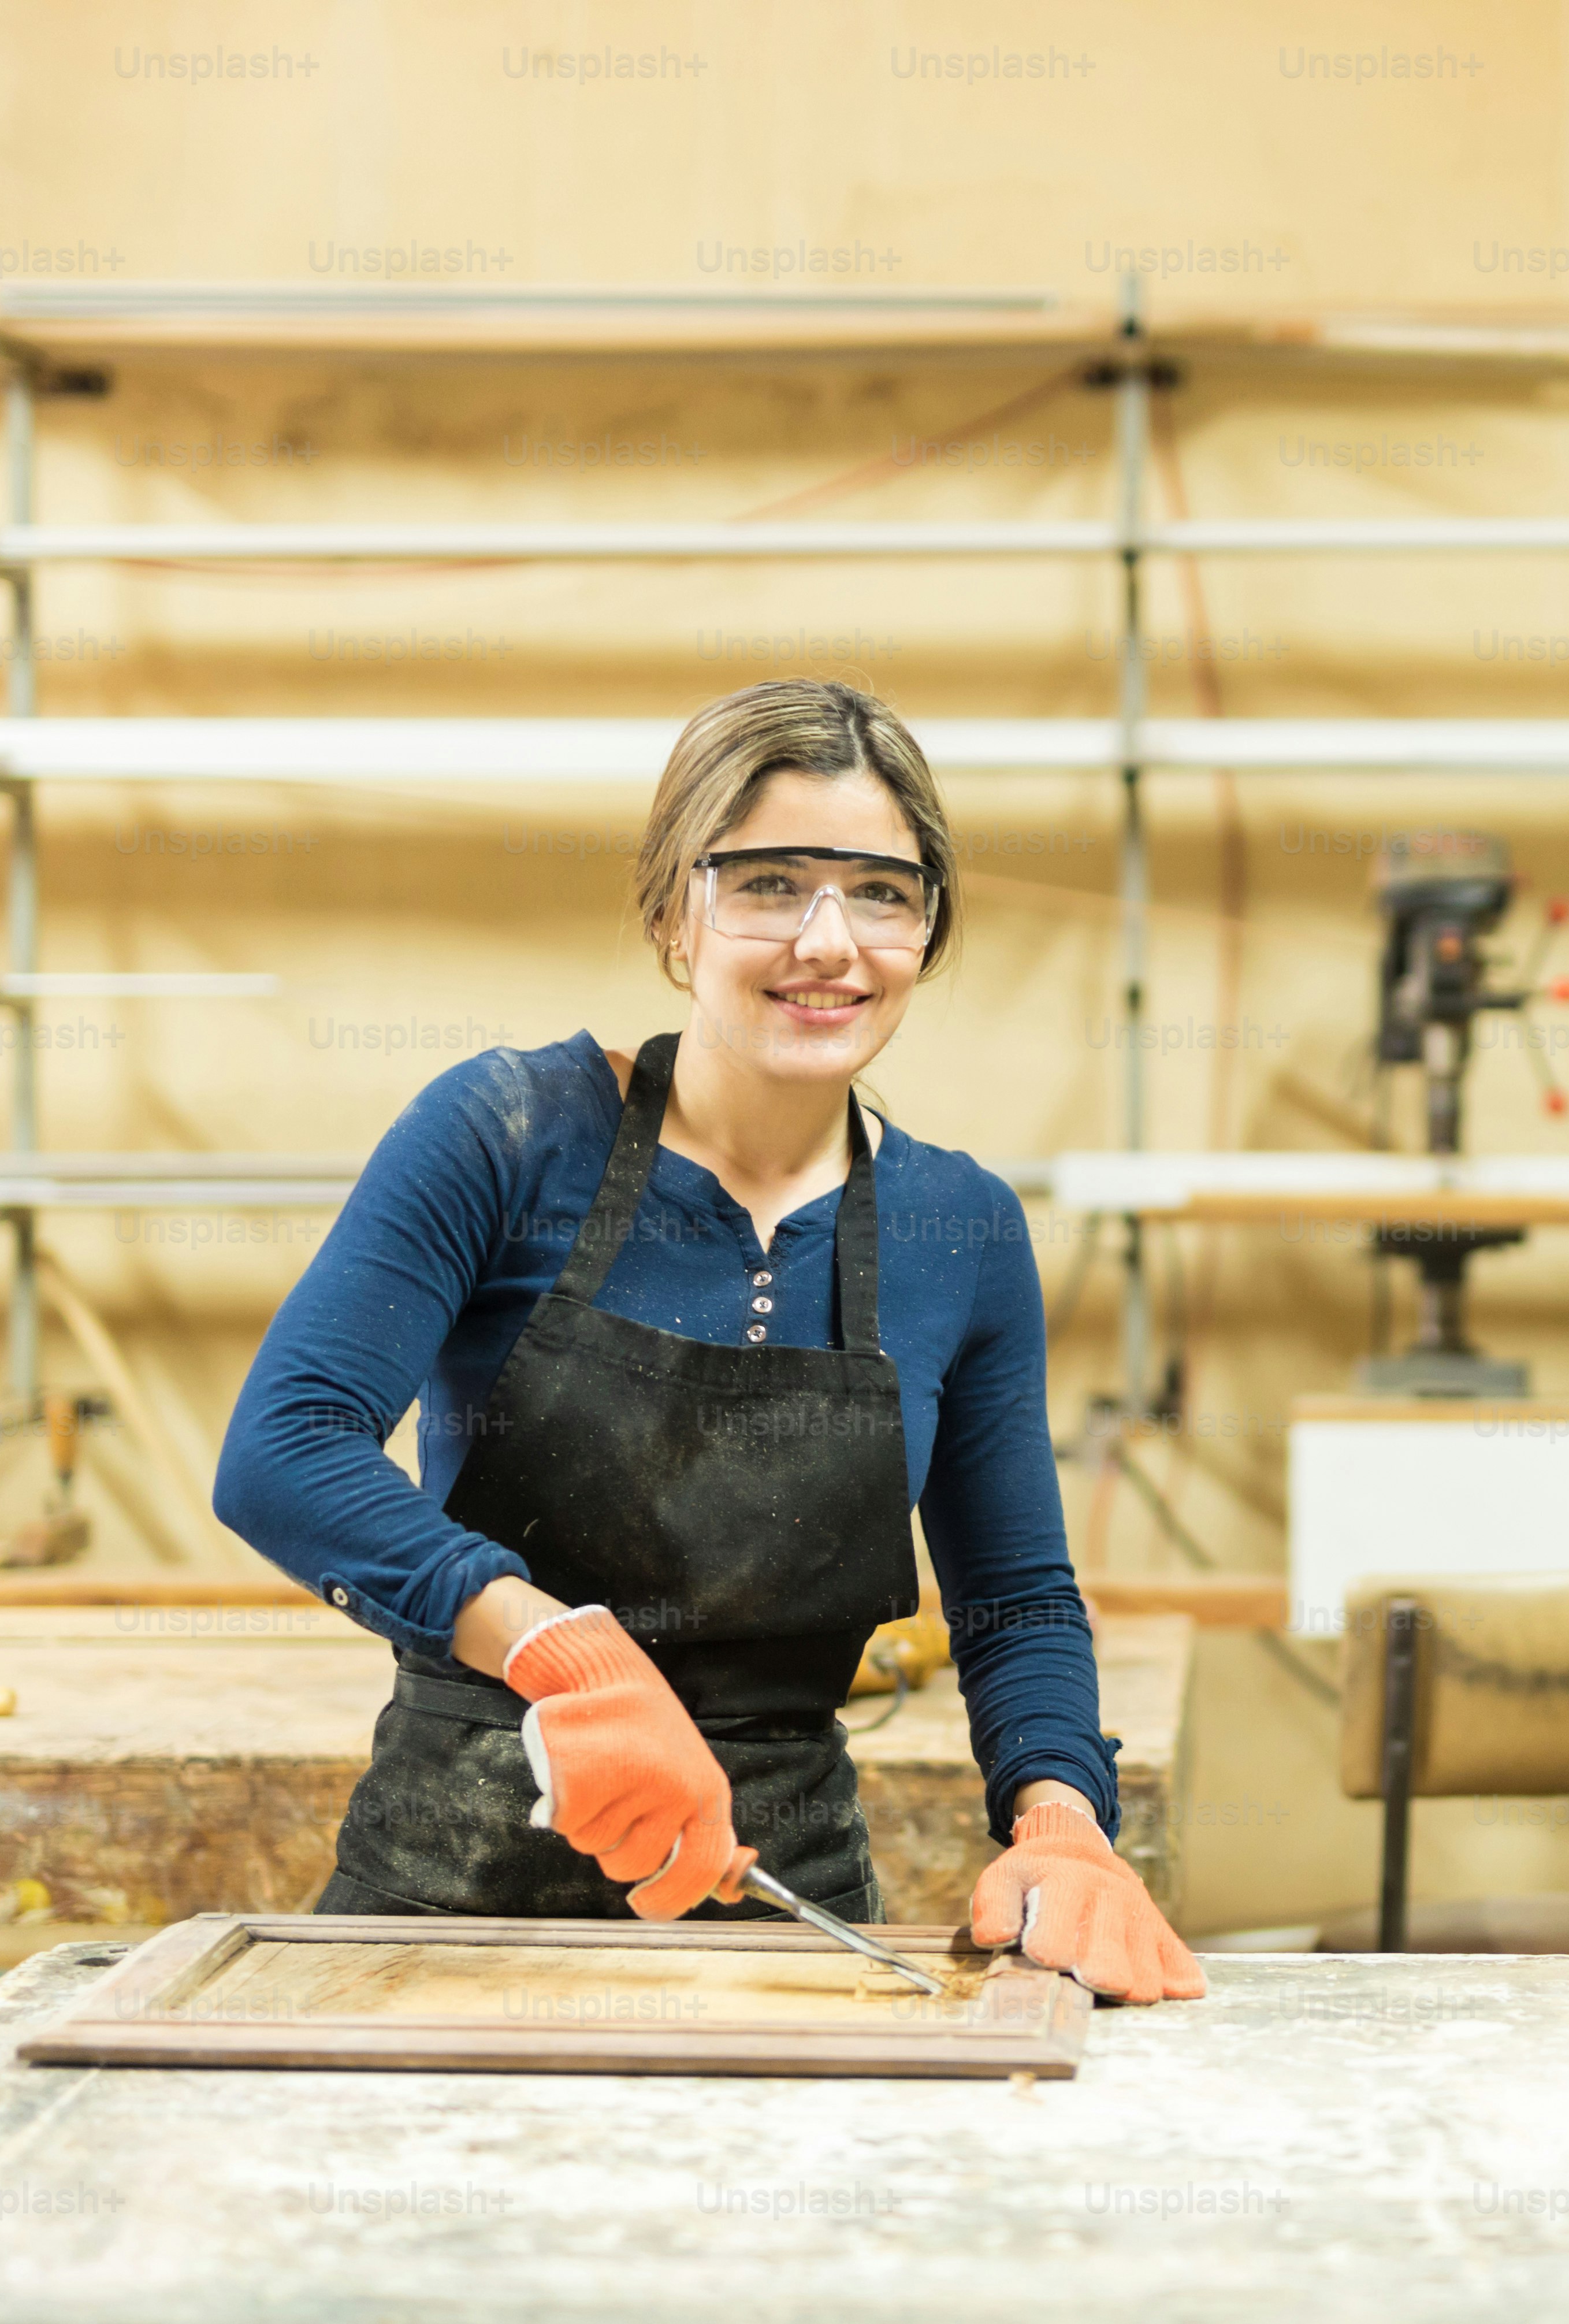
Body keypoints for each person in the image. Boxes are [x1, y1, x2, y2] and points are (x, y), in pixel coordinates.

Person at [214, 677, 1203, 2003]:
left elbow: (1016, 1596)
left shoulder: (958, 1226)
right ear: (678, 911)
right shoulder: (507, 1133)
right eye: (772, 883)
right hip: (443, 1898)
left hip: (775, 1915)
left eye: (884, 892)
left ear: (930, 930)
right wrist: (563, 1649)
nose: (830, 941)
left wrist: (1063, 1822)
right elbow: (285, 1449)